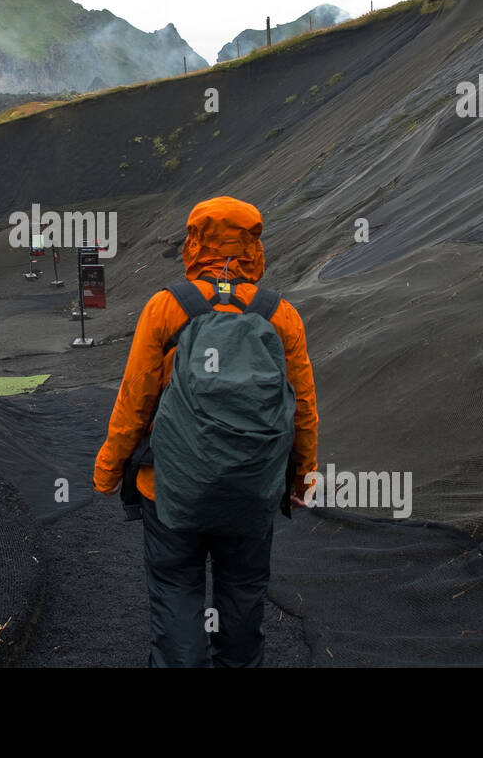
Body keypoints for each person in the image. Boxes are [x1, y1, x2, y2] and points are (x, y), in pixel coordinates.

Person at [93, 196, 318, 667]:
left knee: (176, 593)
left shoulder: (166, 308)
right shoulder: (281, 316)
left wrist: (109, 471)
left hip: (170, 488)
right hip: (253, 490)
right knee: (243, 597)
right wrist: (301, 480)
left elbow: (136, 398)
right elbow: (302, 410)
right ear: (254, 246)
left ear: (195, 243)